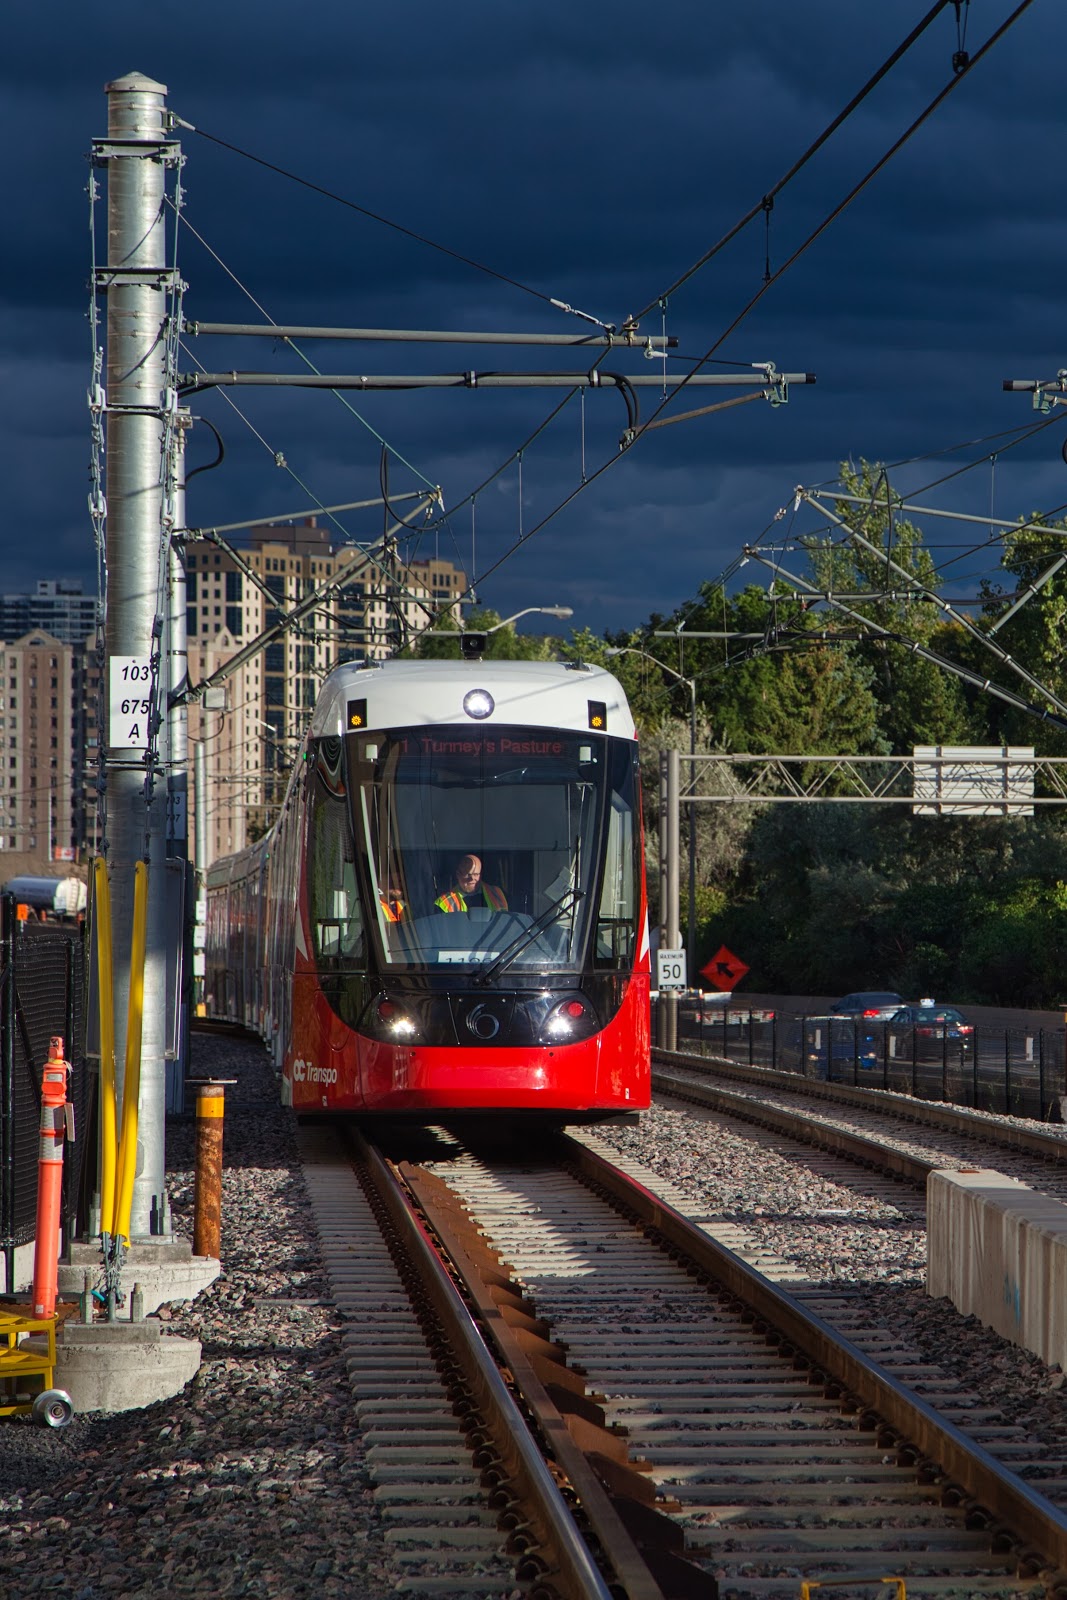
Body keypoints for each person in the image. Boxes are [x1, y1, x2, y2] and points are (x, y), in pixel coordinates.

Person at [435, 853, 507, 913]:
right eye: (468, 875)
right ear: (458, 875)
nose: (472, 879)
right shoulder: (443, 903)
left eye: (476, 874)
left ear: (480, 875)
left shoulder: (497, 893)